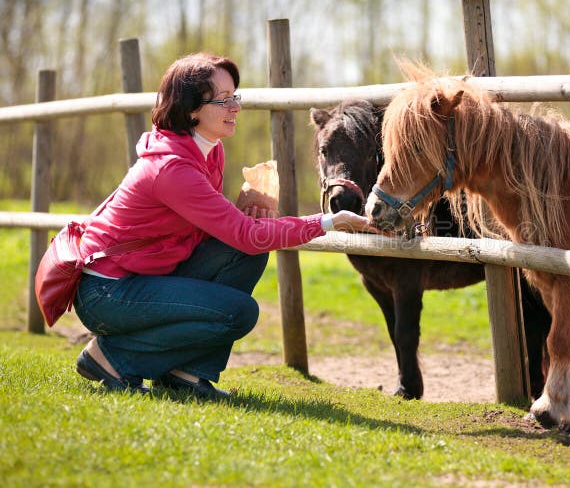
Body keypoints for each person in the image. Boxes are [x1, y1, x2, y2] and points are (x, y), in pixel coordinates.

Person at [74, 52, 375, 398]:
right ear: (191, 110)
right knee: (238, 313)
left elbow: (221, 233)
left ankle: (186, 373)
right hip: (108, 291)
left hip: (145, 275)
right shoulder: (173, 169)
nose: (235, 107)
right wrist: (328, 221)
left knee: (246, 255)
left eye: (236, 97)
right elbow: (247, 234)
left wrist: (237, 209)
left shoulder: (210, 150)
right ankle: (111, 358)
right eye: (223, 100)